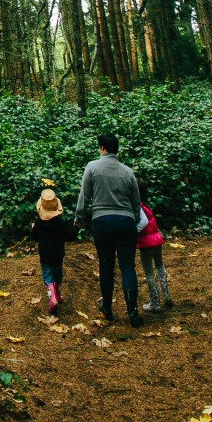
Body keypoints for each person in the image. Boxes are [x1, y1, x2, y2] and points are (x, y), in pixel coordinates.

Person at [74, 133, 144, 327]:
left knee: (106, 264)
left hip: (102, 221)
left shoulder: (92, 167)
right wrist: (134, 221)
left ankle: (108, 308)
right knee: (128, 266)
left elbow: (84, 196)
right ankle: (133, 310)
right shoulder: (127, 172)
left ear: (102, 147)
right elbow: (136, 202)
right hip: (126, 222)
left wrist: (79, 217)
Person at [30, 188, 74, 313]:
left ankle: (52, 297)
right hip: (58, 254)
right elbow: (69, 237)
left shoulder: (39, 223)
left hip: (44, 254)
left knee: (48, 274)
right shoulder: (60, 222)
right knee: (58, 273)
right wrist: (76, 228)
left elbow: (34, 237)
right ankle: (57, 294)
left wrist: (32, 228)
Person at [136, 183, 172, 312]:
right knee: (160, 265)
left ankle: (155, 302)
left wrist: (134, 232)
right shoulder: (147, 204)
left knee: (149, 272)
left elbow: (144, 222)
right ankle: (166, 294)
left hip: (146, 242)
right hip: (157, 239)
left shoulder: (138, 206)